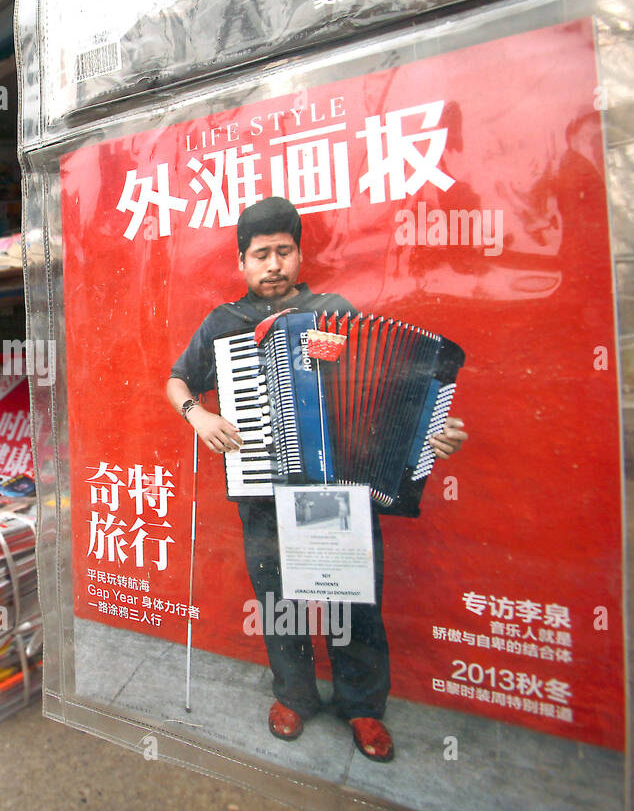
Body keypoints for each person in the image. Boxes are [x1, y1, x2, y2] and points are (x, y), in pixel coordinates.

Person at [165, 196, 468, 762]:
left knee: (355, 599)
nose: (273, 264)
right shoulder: (222, 324)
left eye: (284, 251)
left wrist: (429, 432)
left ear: (300, 255)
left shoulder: (335, 311)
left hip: (338, 493)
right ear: (242, 263)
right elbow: (178, 380)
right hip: (262, 493)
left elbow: (384, 395)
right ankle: (294, 695)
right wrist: (198, 415)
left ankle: (362, 705)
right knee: (278, 597)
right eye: (261, 254)